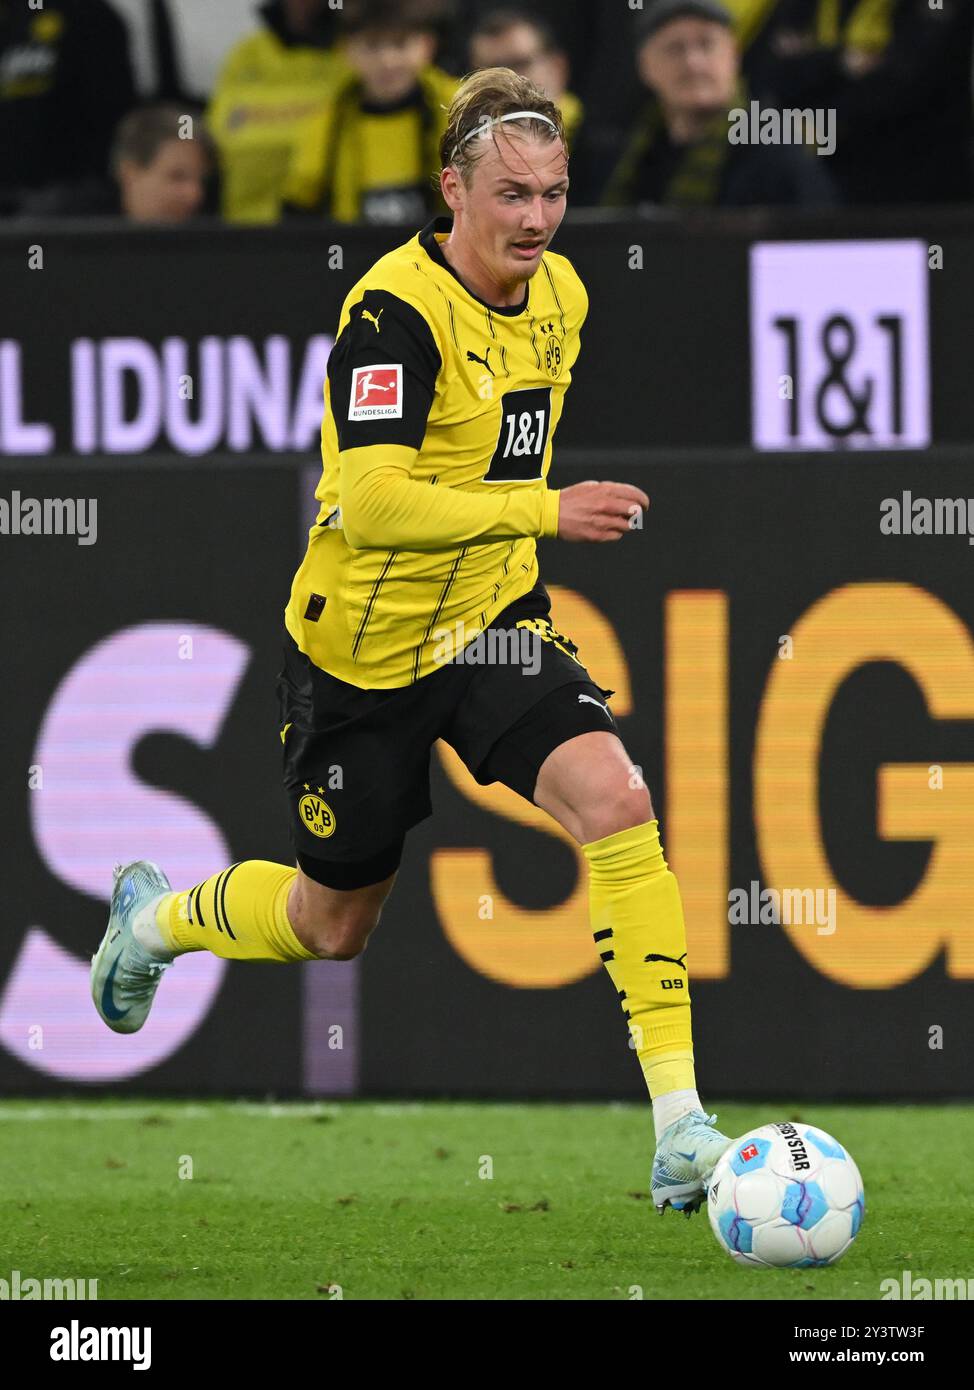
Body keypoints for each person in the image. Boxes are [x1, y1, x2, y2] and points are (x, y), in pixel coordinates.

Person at [91, 65, 732, 1216]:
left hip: (488, 624)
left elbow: (496, 458)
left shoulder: (564, 300)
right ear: (452, 188)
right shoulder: (391, 311)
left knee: (619, 801)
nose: (534, 217)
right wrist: (544, 511)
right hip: (363, 659)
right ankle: (152, 920)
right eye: (510, 194)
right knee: (332, 924)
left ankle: (680, 1126)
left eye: (552, 193)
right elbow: (370, 498)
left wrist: (518, 545)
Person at [601, 0, 837, 210]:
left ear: (733, 56)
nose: (694, 63)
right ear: (645, 66)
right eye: (675, 48)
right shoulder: (627, 154)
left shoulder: (777, 150)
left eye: (707, 44)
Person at [759, 0, 974, 204]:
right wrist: (839, 62)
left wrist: (824, 120)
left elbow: (909, 80)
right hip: (824, 176)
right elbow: (777, 74)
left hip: (918, 182)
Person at [282, 0, 457, 224]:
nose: (387, 60)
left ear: (427, 46)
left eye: (400, 44)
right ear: (346, 51)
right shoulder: (327, 119)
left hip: (439, 252)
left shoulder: (458, 107)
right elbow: (298, 204)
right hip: (355, 253)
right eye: (372, 46)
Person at [206, 0, 345, 223]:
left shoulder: (357, 52)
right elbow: (222, 135)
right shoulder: (247, 53)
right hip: (242, 232)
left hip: (330, 233)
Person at [0, 0, 136, 216]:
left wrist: (88, 191)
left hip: (68, 200)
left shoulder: (92, 16)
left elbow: (115, 115)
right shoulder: (11, 17)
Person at [467, 8, 584, 150]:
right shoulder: (460, 153)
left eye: (519, 64)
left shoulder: (599, 147)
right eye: (491, 71)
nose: (507, 81)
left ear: (557, 68)